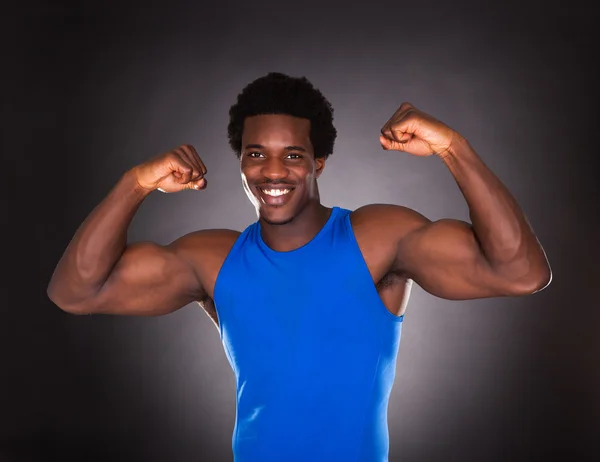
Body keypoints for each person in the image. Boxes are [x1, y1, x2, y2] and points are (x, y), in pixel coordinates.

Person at [47, 72, 552, 461]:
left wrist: (451, 147)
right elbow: (77, 290)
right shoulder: (214, 260)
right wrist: (137, 182)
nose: (272, 171)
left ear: (319, 161)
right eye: (255, 154)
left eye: (292, 154)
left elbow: (520, 271)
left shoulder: (377, 238)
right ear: (240, 163)